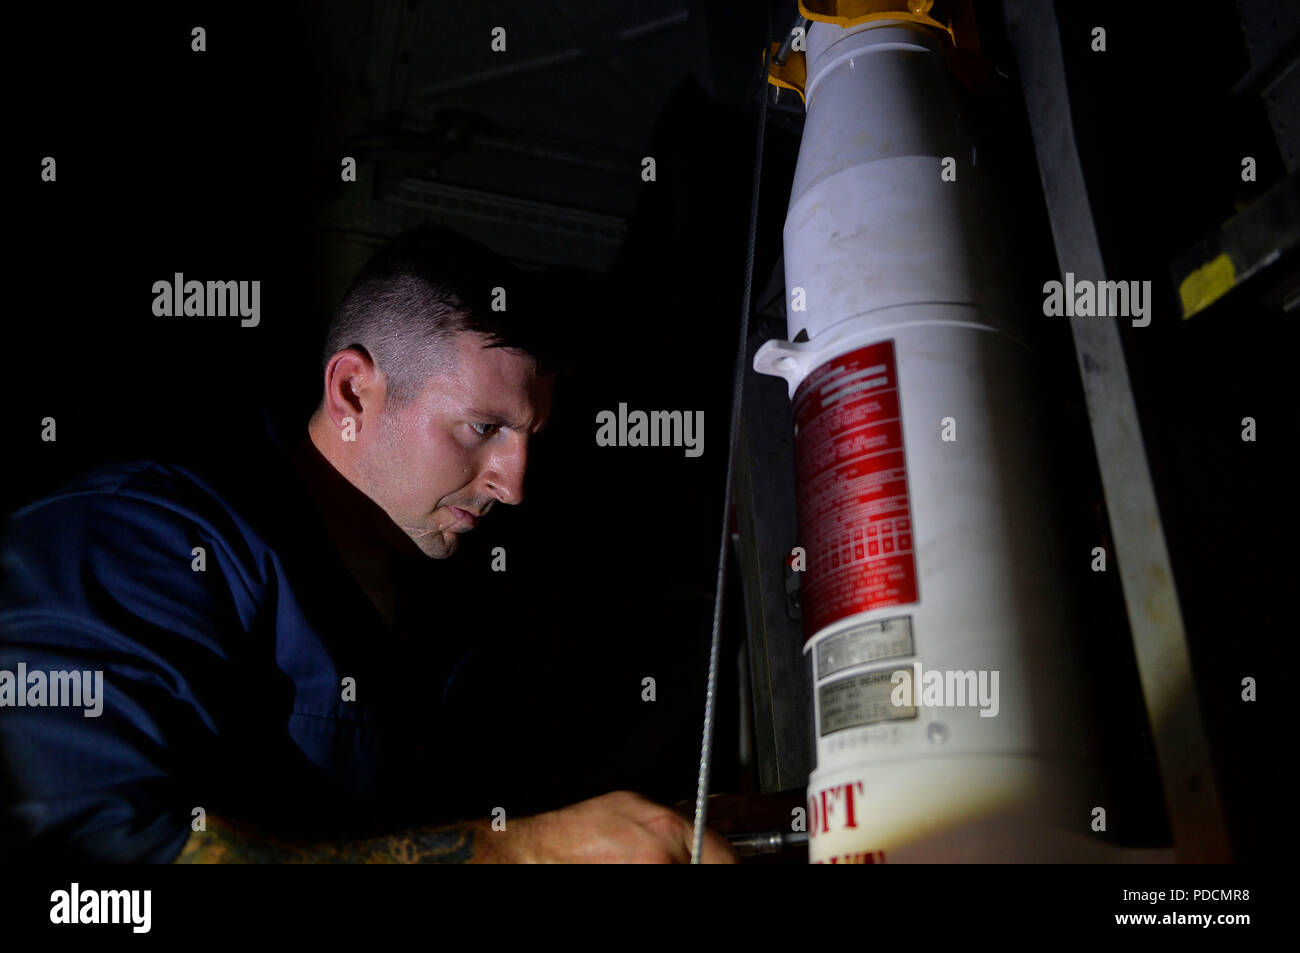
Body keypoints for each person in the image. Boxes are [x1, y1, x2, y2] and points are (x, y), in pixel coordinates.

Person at [0, 226, 736, 864]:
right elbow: (94, 860)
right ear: (353, 392)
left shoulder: (446, 604)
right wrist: (524, 849)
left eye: (528, 439)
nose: (513, 484)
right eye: (484, 428)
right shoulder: (145, 538)